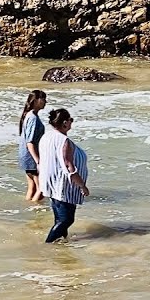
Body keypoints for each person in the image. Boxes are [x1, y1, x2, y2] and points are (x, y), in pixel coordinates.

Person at [38, 109, 90, 244]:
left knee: (59, 219)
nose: (71, 123)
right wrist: (82, 185)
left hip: (50, 182)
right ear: (65, 123)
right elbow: (69, 166)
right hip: (63, 186)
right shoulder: (63, 140)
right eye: (71, 120)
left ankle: (62, 243)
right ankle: (47, 245)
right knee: (67, 219)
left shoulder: (47, 136)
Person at [17, 90, 47, 202]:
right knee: (42, 189)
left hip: (24, 155)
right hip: (30, 156)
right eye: (43, 99)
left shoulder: (28, 115)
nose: (45, 101)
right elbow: (30, 142)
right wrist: (38, 161)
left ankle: (28, 210)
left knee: (32, 186)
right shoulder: (33, 118)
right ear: (36, 100)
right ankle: (35, 213)